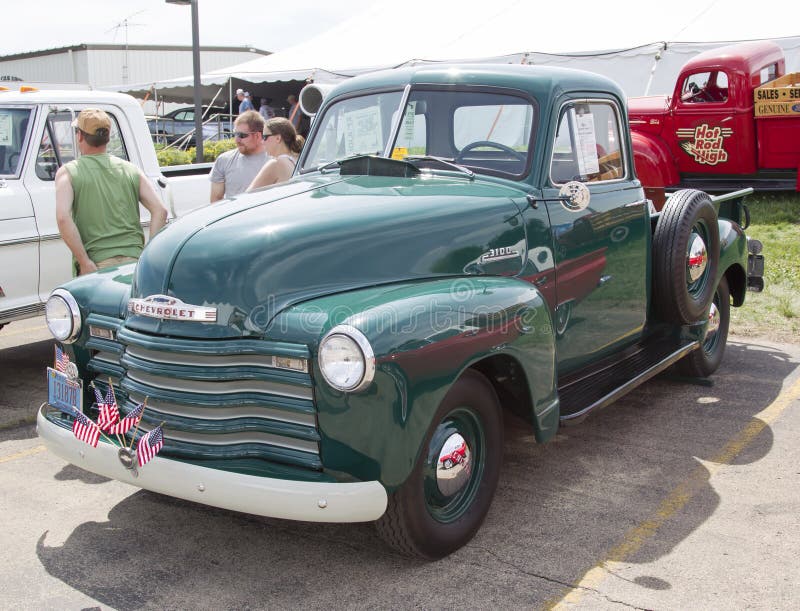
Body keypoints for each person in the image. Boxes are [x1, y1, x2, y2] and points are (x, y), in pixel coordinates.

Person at [55, 108, 168, 277]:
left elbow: (63, 218)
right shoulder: (131, 170)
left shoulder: (68, 172)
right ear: (107, 138)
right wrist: (148, 255)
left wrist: (84, 262)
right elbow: (160, 210)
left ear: (79, 136)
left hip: (97, 264)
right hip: (135, 261)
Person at [209, 110, 269, 202]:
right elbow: (215, 200)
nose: (237, 140)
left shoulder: (275, 161)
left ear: (258, 136)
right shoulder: (224, 160)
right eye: (235, 134)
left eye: (242, 135)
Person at [247, 117, 304, 190]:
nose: (262, 142)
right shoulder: (297, 160)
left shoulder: (276, 164)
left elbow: (248, 195)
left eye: (264, 137)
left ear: (278, 138)